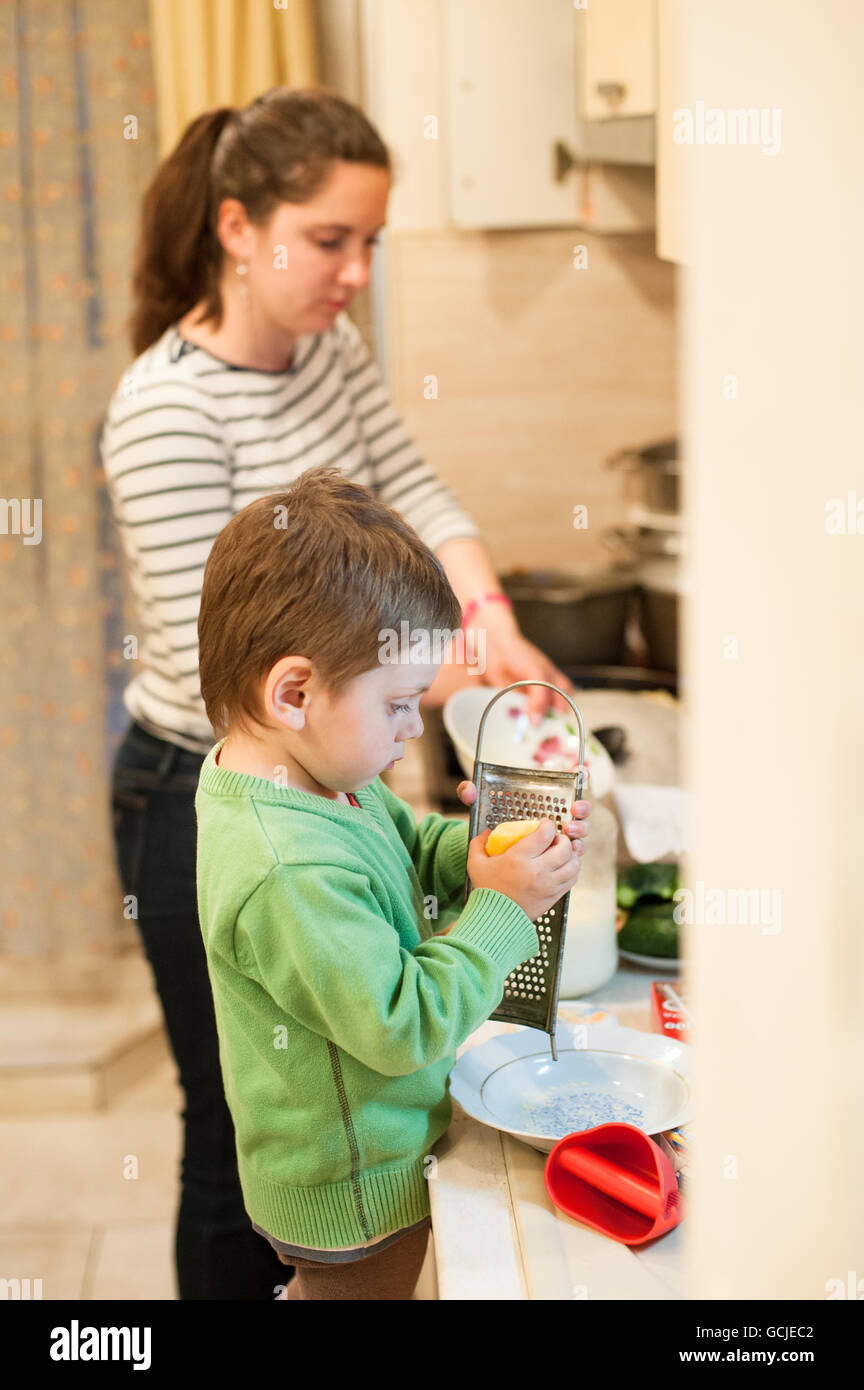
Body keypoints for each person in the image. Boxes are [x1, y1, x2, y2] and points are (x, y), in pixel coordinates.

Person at [102, 85, 577, 1300]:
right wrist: (422, 668)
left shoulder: (329, 352)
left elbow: (412, 484)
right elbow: (233, 629)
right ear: (236, 228)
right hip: (186, 783)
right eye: (330, 239)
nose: (356, 271)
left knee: (308, 1094)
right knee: (237, 1135)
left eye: (371, 241)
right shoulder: (165, 409)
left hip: (312, 750)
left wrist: (487, 626)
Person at [194, 466, 591, 1300]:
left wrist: (485, 848)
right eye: (401, 704)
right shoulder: (284, 866)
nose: (414, 731)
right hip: (355, 1194)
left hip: (391, 1147)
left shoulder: (320, 774)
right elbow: (404, 1024)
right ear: (295, 692)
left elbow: (405, 852)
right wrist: (504, 907)